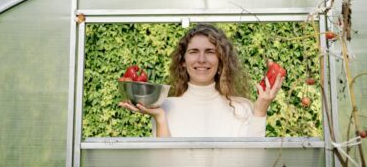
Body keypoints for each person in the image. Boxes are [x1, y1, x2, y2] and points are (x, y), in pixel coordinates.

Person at [119, 24, 284, 137]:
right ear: (183, 61)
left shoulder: (243, 108)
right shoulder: (165, 107)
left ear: (221, 60)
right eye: (194, 51)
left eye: (210, 52)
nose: (202, 59)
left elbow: (253, 162)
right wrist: (160, 118)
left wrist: (261, 111)